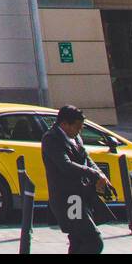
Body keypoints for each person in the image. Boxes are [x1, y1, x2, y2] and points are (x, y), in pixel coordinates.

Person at [41, 104, 113, 254]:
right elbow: (65, 165)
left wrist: (101, 174)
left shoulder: (75, 136)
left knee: (78, 241)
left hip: (81, 195)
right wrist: (94, 174)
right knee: (93, 241)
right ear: (64, 124)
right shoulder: (51, 139)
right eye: (77, 127)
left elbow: (86, 158)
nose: (80, 130)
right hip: (68, 199)